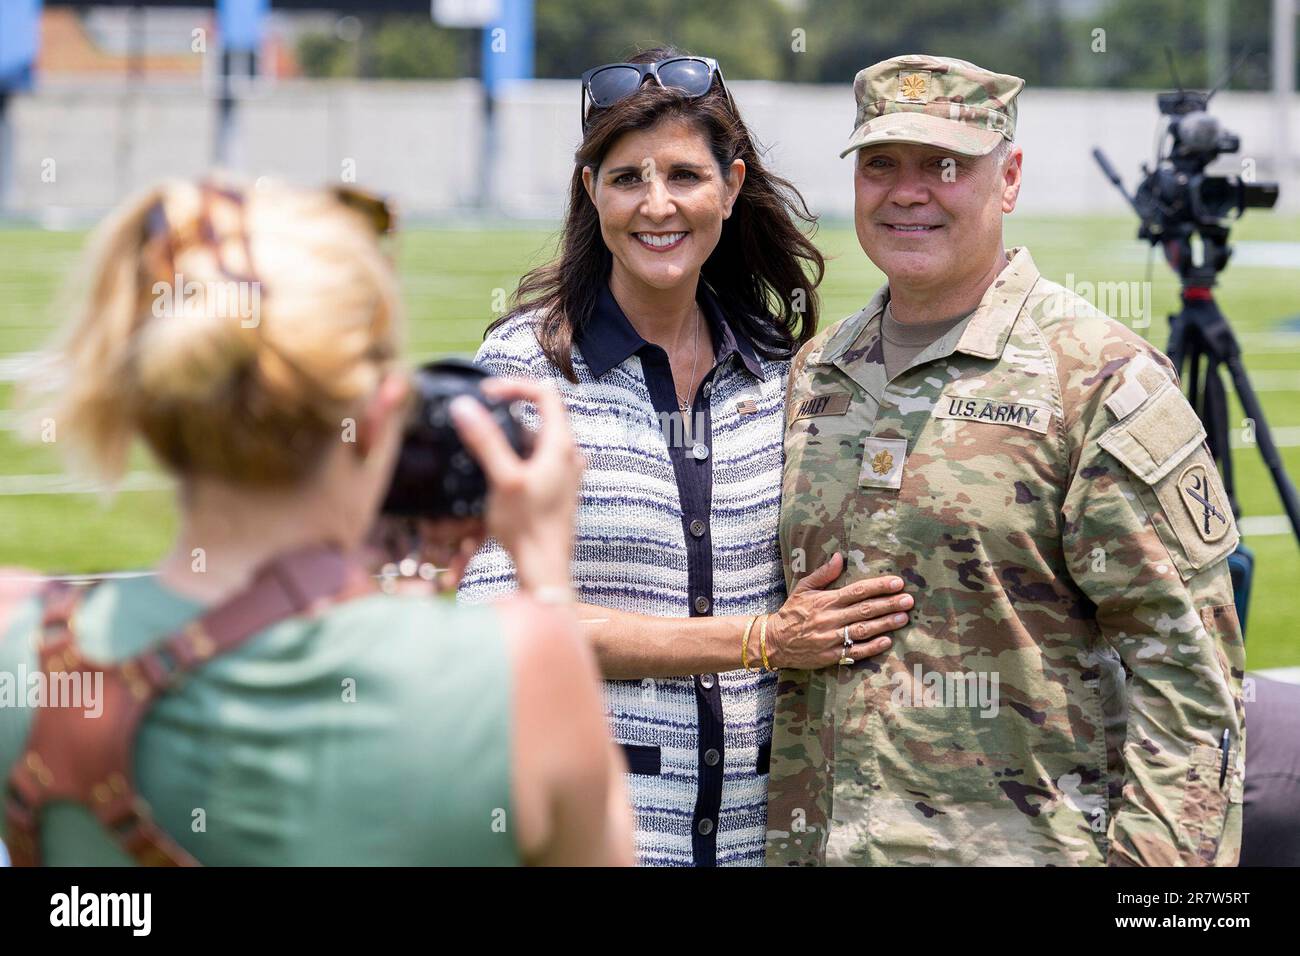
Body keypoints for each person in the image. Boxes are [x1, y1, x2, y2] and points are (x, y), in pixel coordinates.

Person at [0, 178, 634, 866]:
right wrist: (543, 573)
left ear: (155, 411)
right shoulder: (522, 668)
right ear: (374, 421)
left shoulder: (24, 643)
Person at [767, 54, 1245, 867]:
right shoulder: (818, 372)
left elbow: (1193, 687)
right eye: (881, 164)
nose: (908, 191)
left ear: (1010, 176)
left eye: (945, 165)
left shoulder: (1097, 379)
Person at [456, 47, 914, 866]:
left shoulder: (784, 373)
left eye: (684, 176)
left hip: (765, 842)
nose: (655, 205)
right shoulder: (525, 371)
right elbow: (500, 623)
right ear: (590, 191)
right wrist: (760, 639)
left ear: (731, 188)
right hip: (589, 836)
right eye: (627, 177)